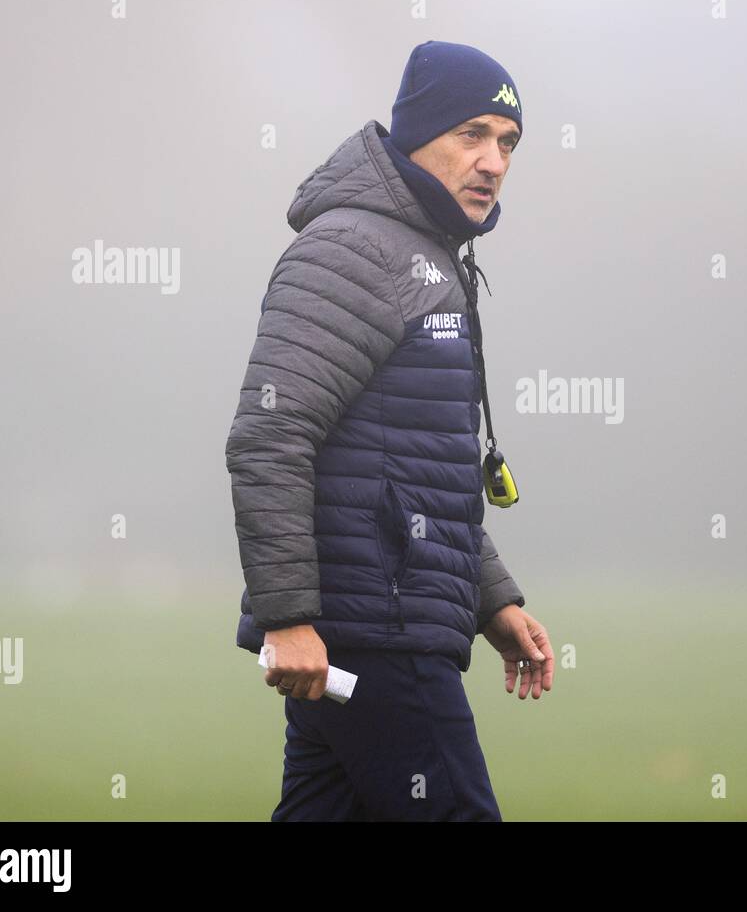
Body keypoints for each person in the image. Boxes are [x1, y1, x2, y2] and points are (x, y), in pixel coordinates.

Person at [224, 40, 552, 821]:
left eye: (507, 142)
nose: (493, 161)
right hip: (375, 632)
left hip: (374, 628)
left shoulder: (426, 258)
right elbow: (268, 436)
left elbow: (412, 470)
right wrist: (289, 617)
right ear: (415, 137)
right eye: (471, 134)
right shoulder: (353, 249)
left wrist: (490, 598)